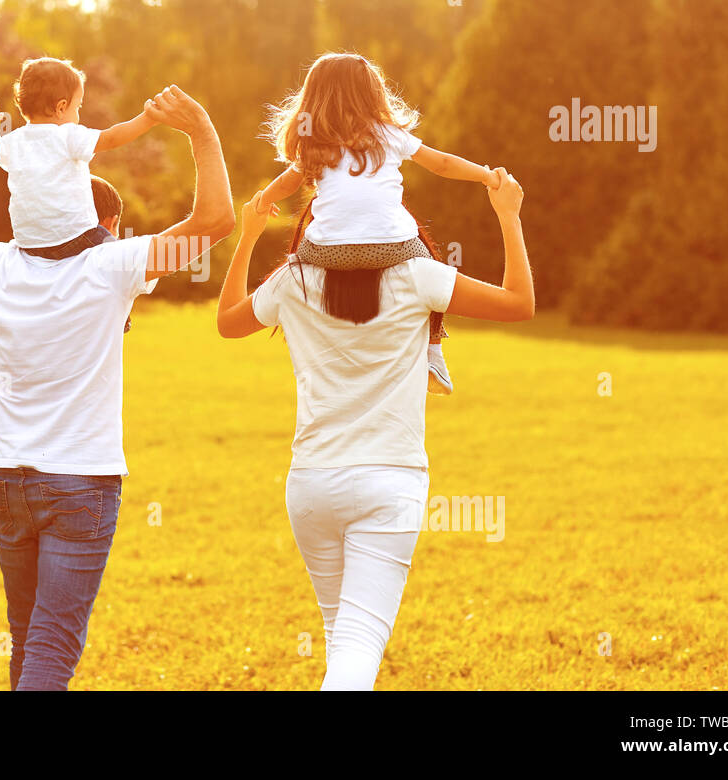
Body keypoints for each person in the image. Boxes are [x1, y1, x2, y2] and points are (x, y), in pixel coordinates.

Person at [0, 87, 234, 690]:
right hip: (81, 482)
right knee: (51, 647)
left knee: (28, 637)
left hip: (8, 480)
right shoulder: (112, 266)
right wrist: (203, 133)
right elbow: (214, 221)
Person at [216, 167, 534, 690]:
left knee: (343, 640)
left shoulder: (292, 280)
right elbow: (519, 303)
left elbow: (228, 322)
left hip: (311, 485)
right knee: (357, 646)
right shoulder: (419, 275)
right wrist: (508, 215)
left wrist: (249, 235)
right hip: (390, 484)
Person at [259, 52, 501, 395]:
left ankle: (307, 331)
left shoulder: (314, 140)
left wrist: (262, 200)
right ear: (371, 94)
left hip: (325, 252)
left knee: (296, 269)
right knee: (431, 263)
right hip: (391, 248)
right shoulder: (389, 134)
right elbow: (443, 164)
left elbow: (287, 183)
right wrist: (486, 175)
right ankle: (433, 352)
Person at [0, 56, 157, 255]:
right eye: (78, 107)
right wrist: (148, 119)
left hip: (30, 245)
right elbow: (111, 138)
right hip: (74, 238)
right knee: (118, 253)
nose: (78, 114)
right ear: (61, 108)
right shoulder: (66, 134)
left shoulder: (13, 141)